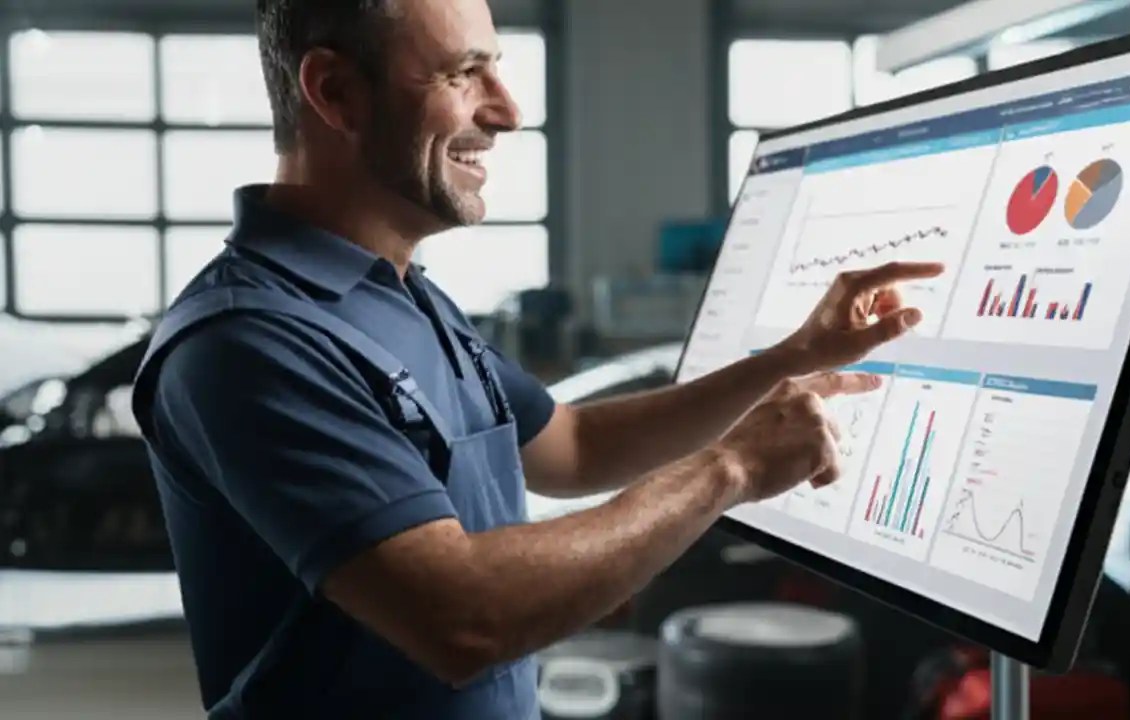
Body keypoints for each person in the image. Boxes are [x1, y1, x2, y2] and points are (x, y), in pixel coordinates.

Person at [130, 0, 944, 717]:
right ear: (335, 92)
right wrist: (729, 470)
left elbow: (575, 445)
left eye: (498, 67)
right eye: (463, 73)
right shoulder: (248, 342)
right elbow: (462, 617)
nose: (509, 111)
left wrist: (791, 356)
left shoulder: (406, 293)